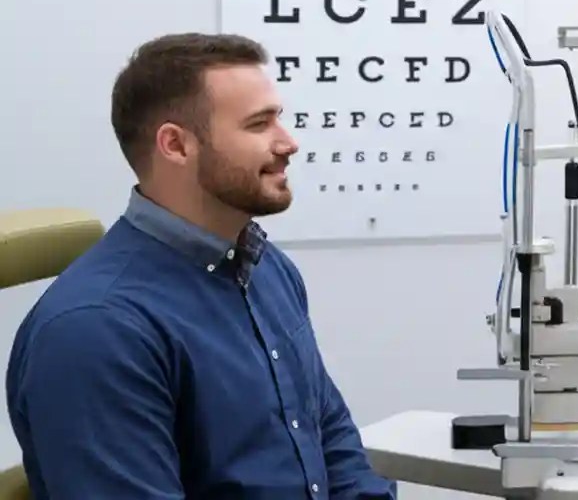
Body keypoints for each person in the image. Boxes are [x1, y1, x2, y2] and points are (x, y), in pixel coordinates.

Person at [6, 33, 397, 498]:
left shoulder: (265, 267)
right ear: (176, 145)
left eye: (279, 119)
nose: (289, 143)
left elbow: (330, 435)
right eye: (259, 125)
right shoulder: (96, 331)